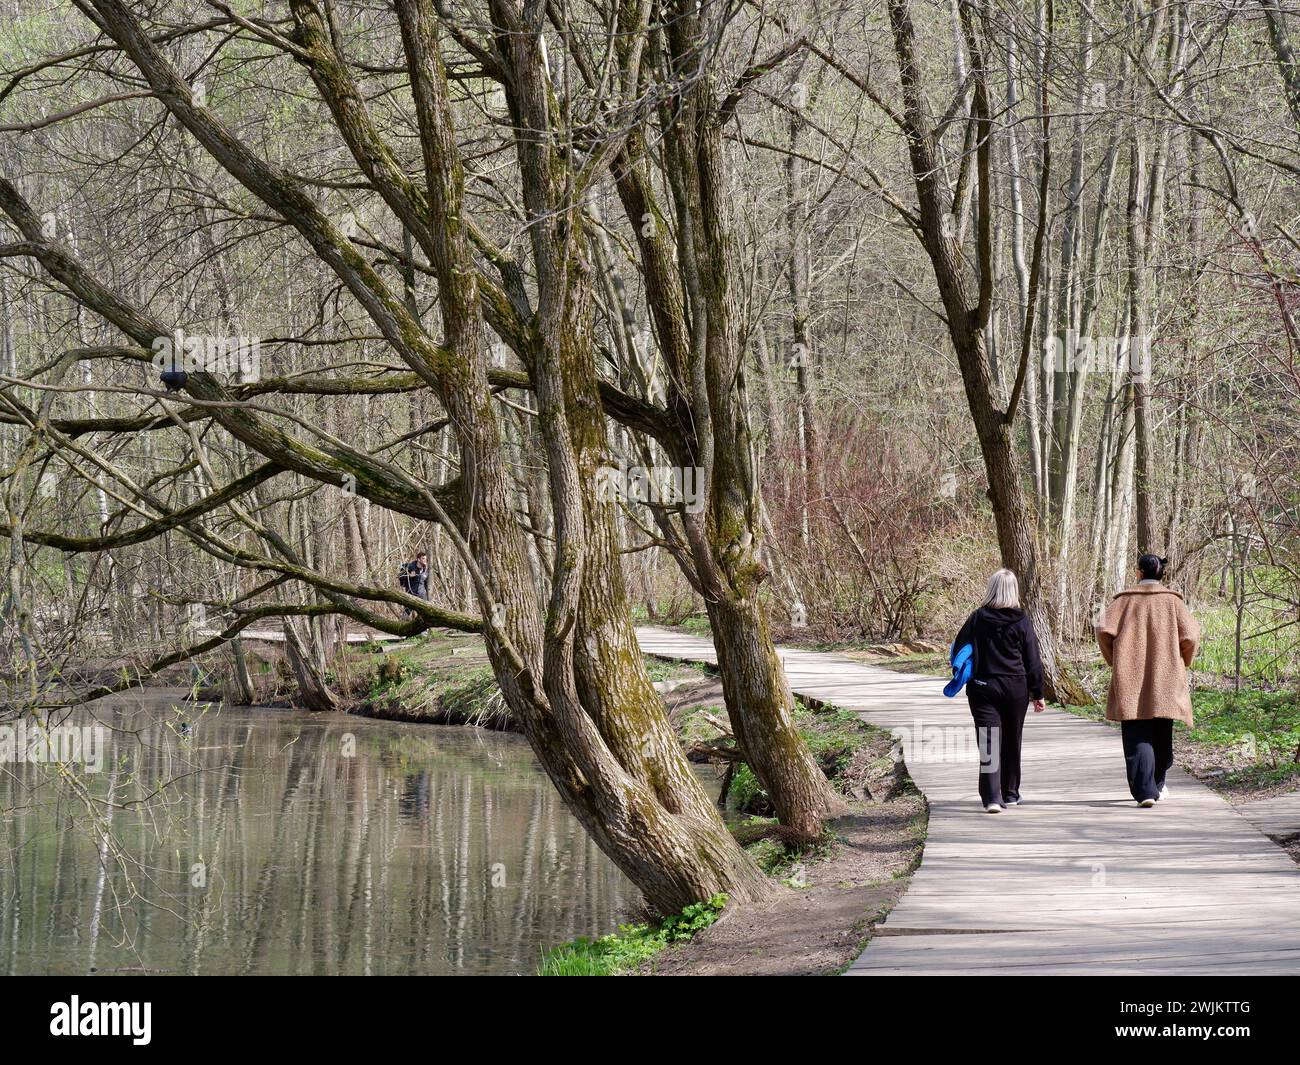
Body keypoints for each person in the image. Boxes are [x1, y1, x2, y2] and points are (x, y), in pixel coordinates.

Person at [1096, 554, 1201, 807]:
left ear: (1138, 573)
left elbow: (1101, 629)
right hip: (1166, 678)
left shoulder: (1123, 601)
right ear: (1161, 574)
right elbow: (1191, 635)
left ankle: (1145, 791)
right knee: (1162, 731)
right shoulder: (1173, 601)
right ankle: (1158, 783)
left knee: (1136, 733)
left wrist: (1114, 658)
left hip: (1130, 678)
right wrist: (1182, 660)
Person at [953, 568, 1046, 813]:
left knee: (989, 741)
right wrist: (1038, 693)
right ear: (1014, 590)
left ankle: (993, 798)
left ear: (991, 589)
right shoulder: (1022, 620)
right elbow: (1032, 659)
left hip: (984, 687)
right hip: (1016, 686)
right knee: (1012, 740)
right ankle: (1011, 793)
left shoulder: (977, 618)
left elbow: (959, 648)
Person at [398, 550, 429, 616]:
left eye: (425, 559)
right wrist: (409, 576)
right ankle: (400, 625)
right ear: (418, 559)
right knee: (405, 615)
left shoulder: (426, 570)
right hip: (411, 595)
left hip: (422, 596)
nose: (425, 560)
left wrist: (427, 598)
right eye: (423, 558)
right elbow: (400, 576)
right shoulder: (410, 566)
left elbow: (426, 584)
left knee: (424, 615)